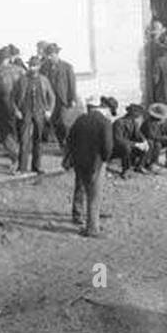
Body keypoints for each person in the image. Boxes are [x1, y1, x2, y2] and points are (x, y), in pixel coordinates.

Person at [63, 96, 114, 238]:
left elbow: (70, 140)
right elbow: (108, 146)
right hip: (96, 162)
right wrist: (105, 158)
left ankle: (80, 216)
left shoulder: (80, 120)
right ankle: (92, 227)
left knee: (82, 189)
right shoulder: (104, 122)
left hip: (79, 161)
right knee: (94, 195)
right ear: (99, 107)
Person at [12, 56, 56, 174]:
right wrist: (16, 111)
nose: (32, 68)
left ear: (39, 66)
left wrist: (49, 111)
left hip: (40, 112)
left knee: (38, 140)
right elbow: (12, 97)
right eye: (31, 66)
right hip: (25, 112)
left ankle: (36, 166)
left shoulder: (44, 80)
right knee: (24, 140)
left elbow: (52, 97)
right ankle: (22, 167)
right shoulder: (22, 80)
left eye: (35, 65)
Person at [43, 43, 78, 145]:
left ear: (57, 54)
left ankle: (67, 142)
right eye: (48, 55)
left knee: (63, 122)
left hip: (63, 99)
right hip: (50, 100)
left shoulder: (67, 67)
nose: (49, 57)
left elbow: (72, 84)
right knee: (53, 122)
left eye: (51, 55)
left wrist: (73, 98)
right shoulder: (44, 67)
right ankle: (61, 143)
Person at [112, 103, 150, 177]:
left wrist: (144, 141)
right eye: (137, 114)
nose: (138, 116)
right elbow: (118, 140)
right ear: (131, 114)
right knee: (126, 148)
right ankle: (126, 170)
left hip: (129, 144)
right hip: (117, 147)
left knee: (147, 144)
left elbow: (138, 133)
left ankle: (140, 166)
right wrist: (136, 144)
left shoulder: (133, 122)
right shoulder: (119, 122)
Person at [143, 103, 167, 170]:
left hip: (161, 139)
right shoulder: (149, 123)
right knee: (157, 145)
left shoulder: (164, 121)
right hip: (150, 141)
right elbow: (153, 136)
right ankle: (152, 163)